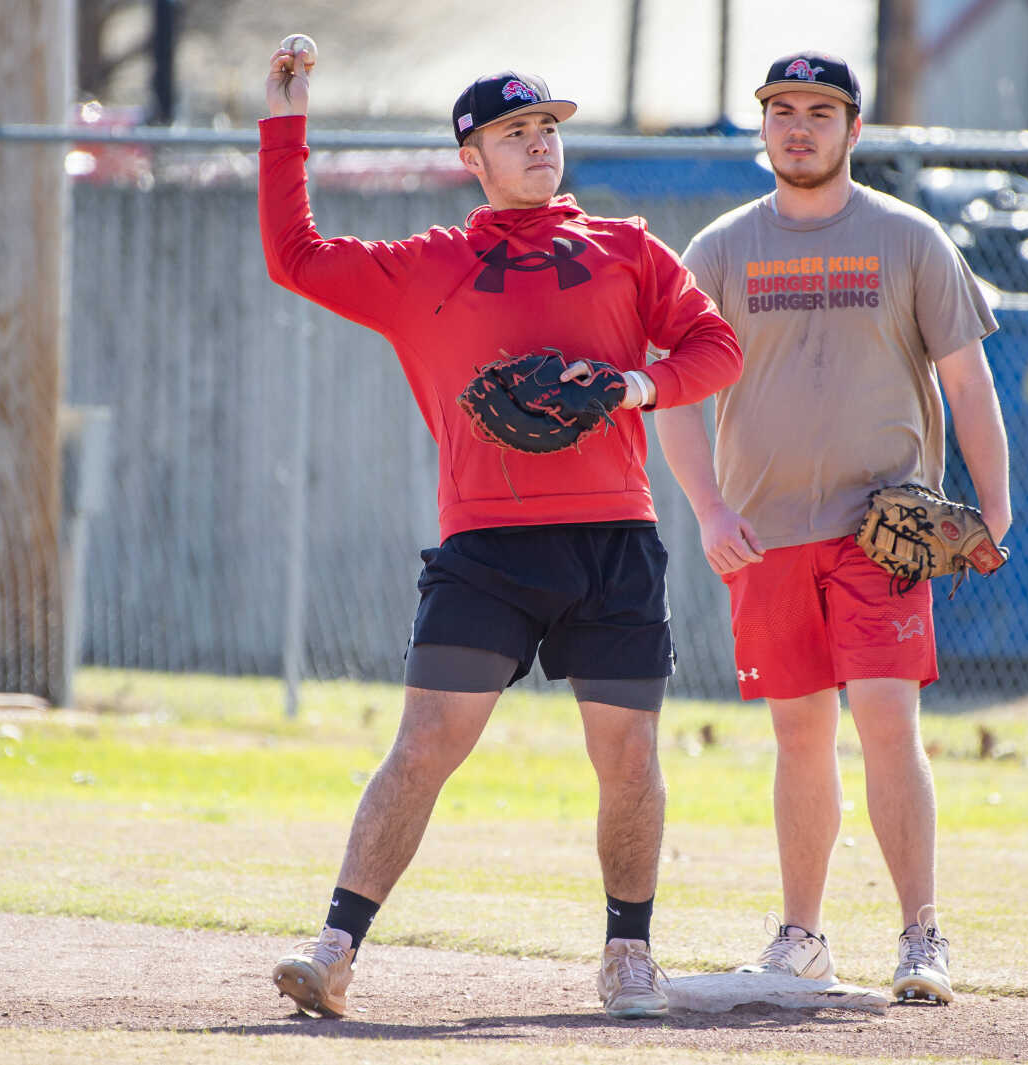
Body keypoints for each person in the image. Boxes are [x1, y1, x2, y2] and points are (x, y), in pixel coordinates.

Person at [257, 44, 743, 1020]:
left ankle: (628, 953)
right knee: (426, 742)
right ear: (470, 157)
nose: (538, 145)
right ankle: (336, 951)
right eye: (514, 133)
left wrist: (637, 386)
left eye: (548, 129)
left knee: (627, 758)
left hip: (612, 540)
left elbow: (716, 347)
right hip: (486, 547)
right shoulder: (423, 267)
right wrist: (285, 123)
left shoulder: (628, 251)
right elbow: (295, 257)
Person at [656, 51, 1011, 1005]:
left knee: (889, 722)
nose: (800, 126)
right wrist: (709, 508)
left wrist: (997, 508)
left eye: (821, 110)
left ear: (855, 130)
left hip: (880, 533)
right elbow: (673, 394)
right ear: (764, 128)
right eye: (782, 111)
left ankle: (921, 935)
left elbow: (968, 381)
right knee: (799, 733)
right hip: (766, 536)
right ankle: (803, 936)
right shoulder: (722, 250)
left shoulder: (908, 238)